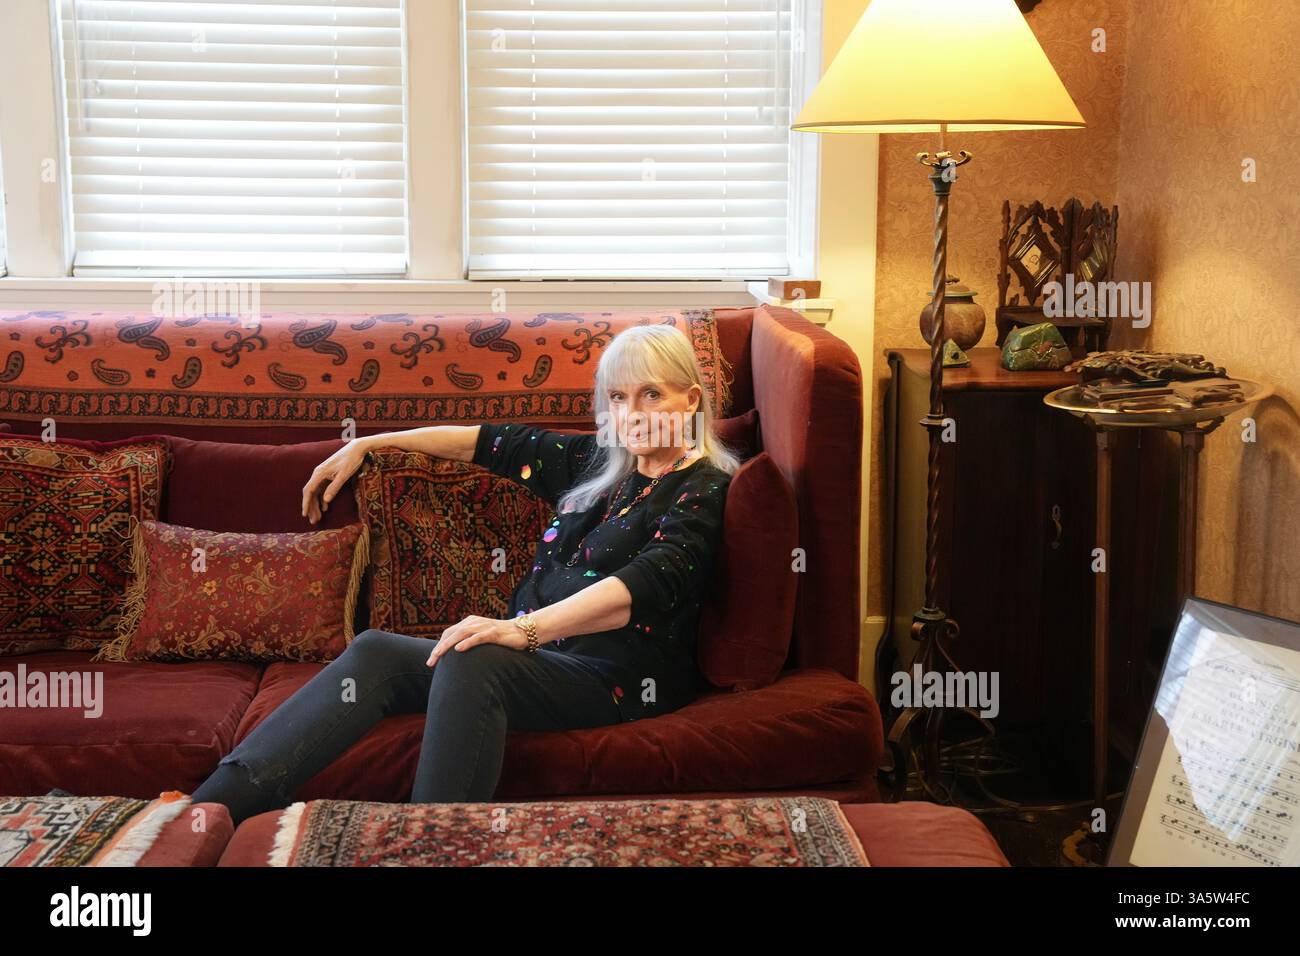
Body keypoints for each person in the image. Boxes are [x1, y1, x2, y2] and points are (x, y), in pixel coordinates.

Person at [191, 324, 739, 825]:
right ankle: (207, 810)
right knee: (377, 652)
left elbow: (646, 583)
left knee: (473, 655)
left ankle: (431, 841)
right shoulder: (598, 462)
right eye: (617, 398)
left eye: (651, 395)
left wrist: (521, 630)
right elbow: (488, 442)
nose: (631, 413)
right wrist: (369, 442)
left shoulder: (703, 488)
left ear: (690, 400)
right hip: (543, 660)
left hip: (614, 678)